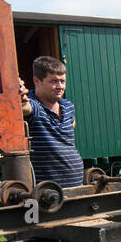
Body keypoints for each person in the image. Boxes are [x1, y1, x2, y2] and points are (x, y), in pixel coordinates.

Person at [20, 56, 83, 188]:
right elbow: (24, 107)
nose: (60, 86)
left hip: (75, 185)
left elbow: (70, 130)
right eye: (54, 81)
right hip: (47, 192)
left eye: (62, 81)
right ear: (37, 81)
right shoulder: (34, 107)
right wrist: (17, 94)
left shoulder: (68, 106)